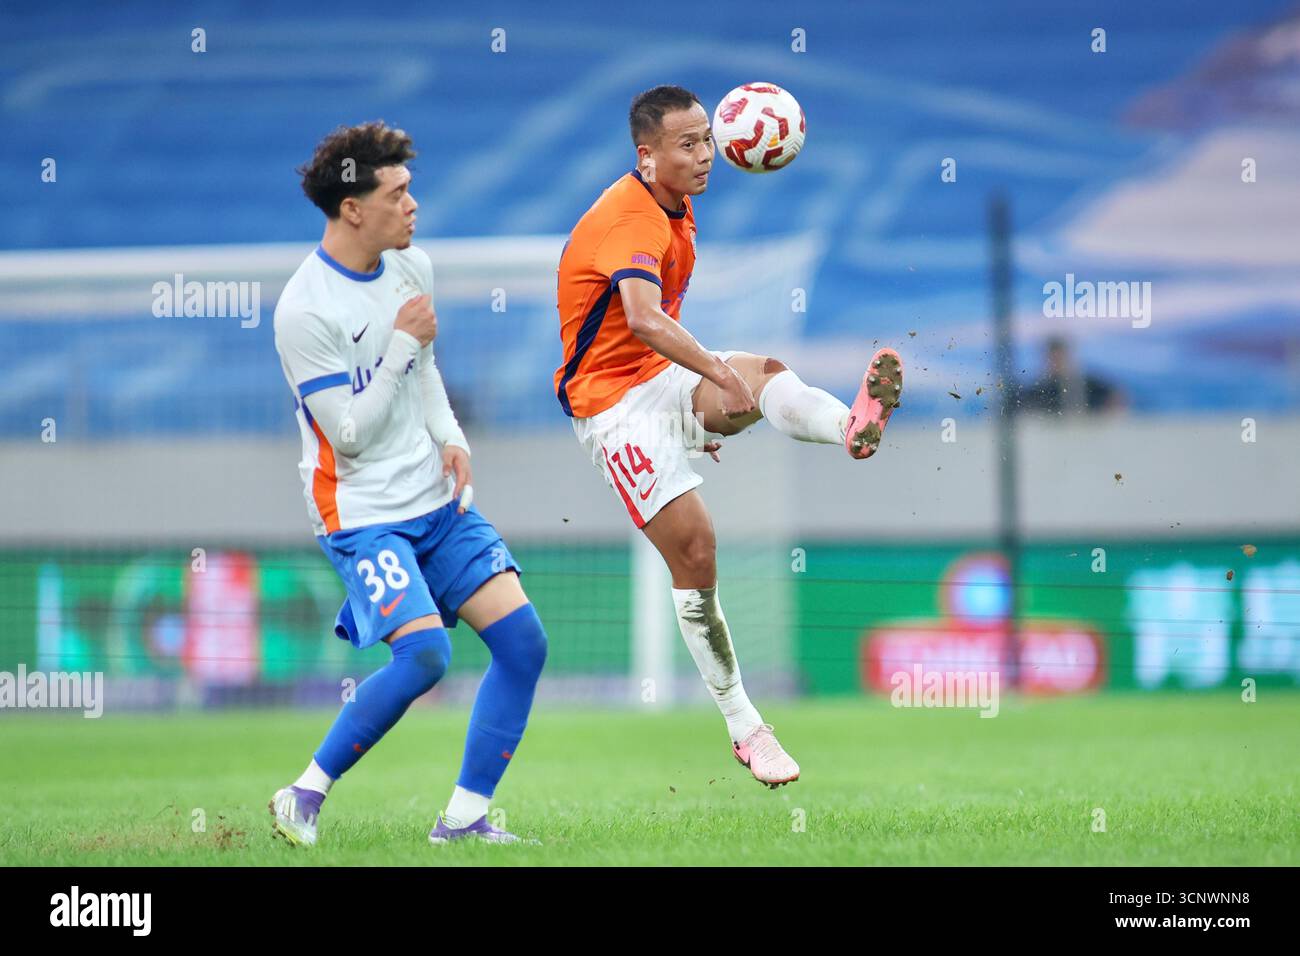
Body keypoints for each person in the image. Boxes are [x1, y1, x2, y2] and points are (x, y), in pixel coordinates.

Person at [555, 86, 903, 787]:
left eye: (708, 139)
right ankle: (746, 726)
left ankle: (850, 427)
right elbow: (645, 319)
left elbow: (654, 339)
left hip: (657, 382)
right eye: (688, 144)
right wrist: (711, 371)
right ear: (646, 157)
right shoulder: (629, 217)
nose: (707, 155)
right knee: (698, 551)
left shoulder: (676, 210)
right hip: (612, 407)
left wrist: (702, 400)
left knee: (764, 374)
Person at [269, 121, 547, 846]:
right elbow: (349, 435)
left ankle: (462, 821)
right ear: (353, 207)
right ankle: (303, 792)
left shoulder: (410, 267)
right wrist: (397, 344)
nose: (412, 205)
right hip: (362, 513)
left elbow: (424, 374)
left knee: (523, 643)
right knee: (425, 654)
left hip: (436, 500)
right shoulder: (304, 309)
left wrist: (451, 438)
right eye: (397, 193)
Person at [1019, 336, 1123, 414]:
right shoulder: (1038, 390)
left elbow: (1116, 397)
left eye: (1059, 359)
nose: (1056, 364)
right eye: (1052, 359)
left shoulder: (1088, 385)